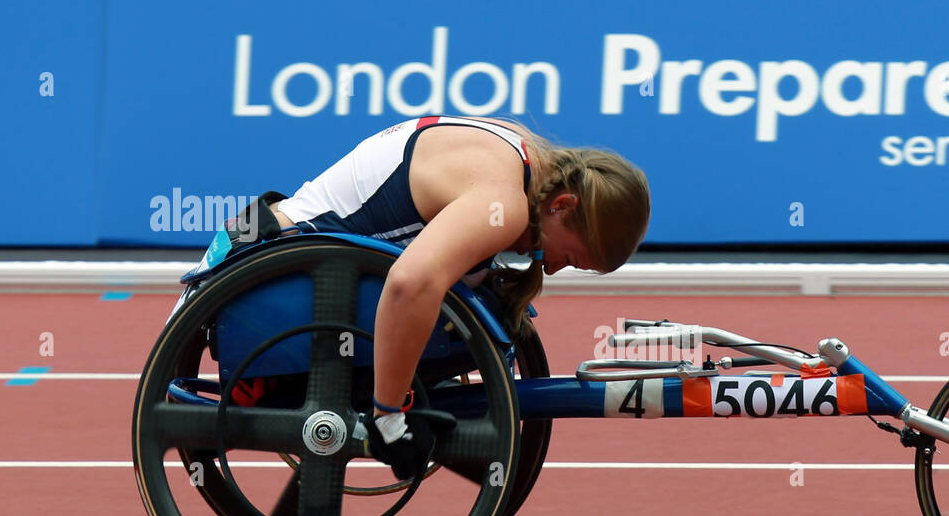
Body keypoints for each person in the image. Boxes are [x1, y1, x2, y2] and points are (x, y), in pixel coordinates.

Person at [223, 114, 650, 480]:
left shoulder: (518, 153)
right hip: (264, 274)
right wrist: (389, 417)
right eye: (571, 257)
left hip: (255, 239)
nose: (554, 268)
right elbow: (410, 284)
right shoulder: (505, 203)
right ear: (562, 205)